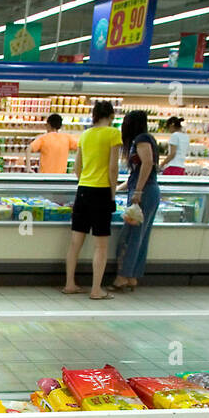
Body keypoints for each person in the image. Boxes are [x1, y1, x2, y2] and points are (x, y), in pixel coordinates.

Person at [63, 100, 122, 299]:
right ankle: (96, 289)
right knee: (101, 245)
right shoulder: (113, 134)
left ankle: (70, 284)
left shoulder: (85, 135)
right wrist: (112, 194)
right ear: (111, 115)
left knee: (75, 243)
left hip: (83, 191)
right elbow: (113, 168)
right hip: (101, 192)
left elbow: (76, 168)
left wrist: (85, 181)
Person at [112, 109, 160, 292]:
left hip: (144, 193)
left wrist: (138, 191)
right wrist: (119, 189)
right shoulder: (147, 139)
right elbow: (137, 173)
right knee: (140, 236)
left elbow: (147, 164)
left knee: (131, 235)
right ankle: (132, 277)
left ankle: (122, 277)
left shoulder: (141, 139)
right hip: (147, 191)